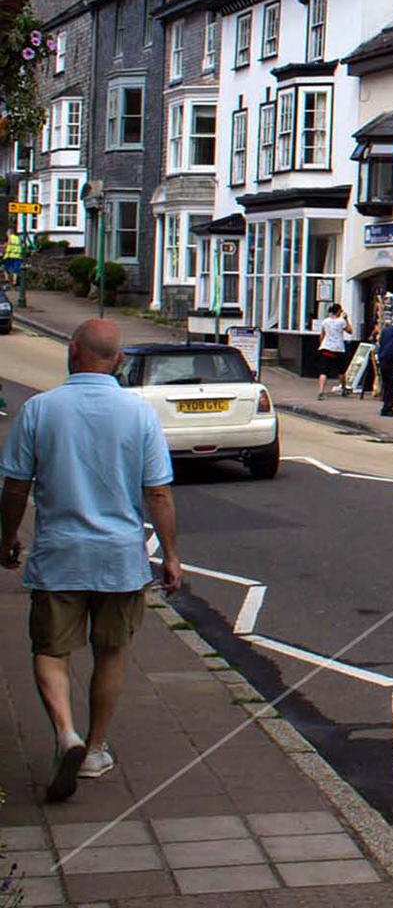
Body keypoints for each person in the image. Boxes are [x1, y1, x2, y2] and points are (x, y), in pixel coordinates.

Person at [0, 319, 181, 803]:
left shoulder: (39, 409)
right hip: (120, 558)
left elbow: (15, 485)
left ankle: (65, 733)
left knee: (50, 650)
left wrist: (7, 538)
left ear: (72, 351)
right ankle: (96, 747)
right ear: (118, 360)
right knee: (111, 652)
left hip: (60, 554)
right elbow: (158, 492)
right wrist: (171, 557)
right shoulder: (139, 414)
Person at [315, 303, 353, 399]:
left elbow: (322, 335)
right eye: (340, 310)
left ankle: (320, 391)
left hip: (325, 348)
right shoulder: (341, 322)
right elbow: (350, 331)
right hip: (338, 348)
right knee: (341, 371)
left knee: (323, 371)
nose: (341, 311)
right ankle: (344, 389)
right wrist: (346, 320)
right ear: (338, 311)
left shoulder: (325, 321)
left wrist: (321, 345)